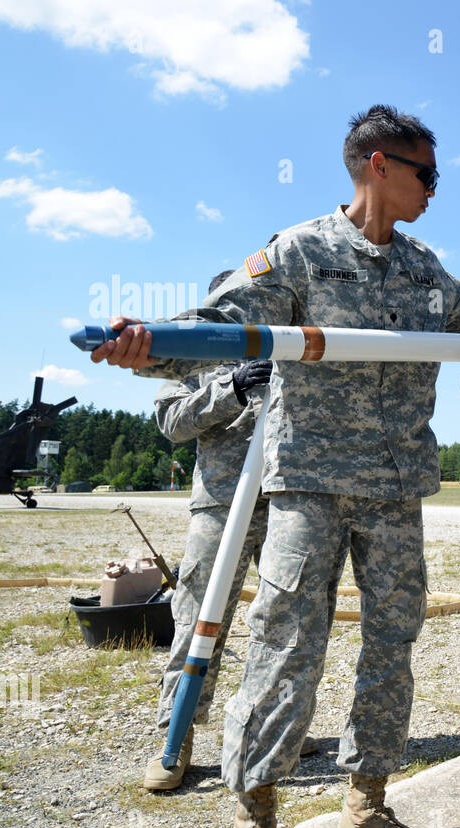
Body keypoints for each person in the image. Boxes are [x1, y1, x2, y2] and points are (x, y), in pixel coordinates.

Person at [91, 105, 460, 828]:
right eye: (426, 173)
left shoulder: (427, 271)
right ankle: (253, 813)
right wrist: (147, 346)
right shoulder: (300, 253)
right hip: (310, 487)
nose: (435, 188)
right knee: (286, 644)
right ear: (380, 166)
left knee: (392, 644)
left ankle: (365, 810)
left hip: (397, 490)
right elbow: (221, 320)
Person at [142, 273, 331, 792]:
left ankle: (276, 731)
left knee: (287, 622)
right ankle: (173, 742)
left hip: (288, 497)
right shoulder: (196, 346)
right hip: (222, 501)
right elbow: (172, 421)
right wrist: (231, 388)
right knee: (201, 616)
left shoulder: (291, 338)